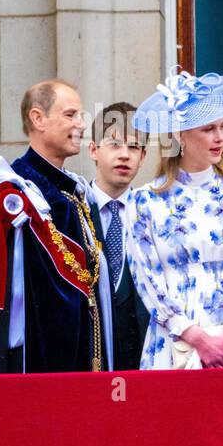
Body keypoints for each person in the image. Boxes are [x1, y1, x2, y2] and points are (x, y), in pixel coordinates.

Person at [0, 79, 104, 373]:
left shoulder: (73, 195)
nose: (82, 124)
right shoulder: (8, 197)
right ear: (38, 118)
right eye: (70, 115)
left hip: (79, 360)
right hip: (30, 367)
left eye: (81, 115)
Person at [129, 69, 223, 369]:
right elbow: (146, 278)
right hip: (173, 344)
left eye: (222, 127)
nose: (219, 137)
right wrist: (196, 337)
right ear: (181, 135)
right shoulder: (144, 201)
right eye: (208, 129)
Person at [88, 101, 151, 370]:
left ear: (143, 156)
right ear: (93, 150)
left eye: (133, 147)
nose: (124, 155)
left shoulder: (153, 214)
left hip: (142, 362)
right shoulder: (71, 212)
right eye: (114, 144)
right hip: (87, 364)